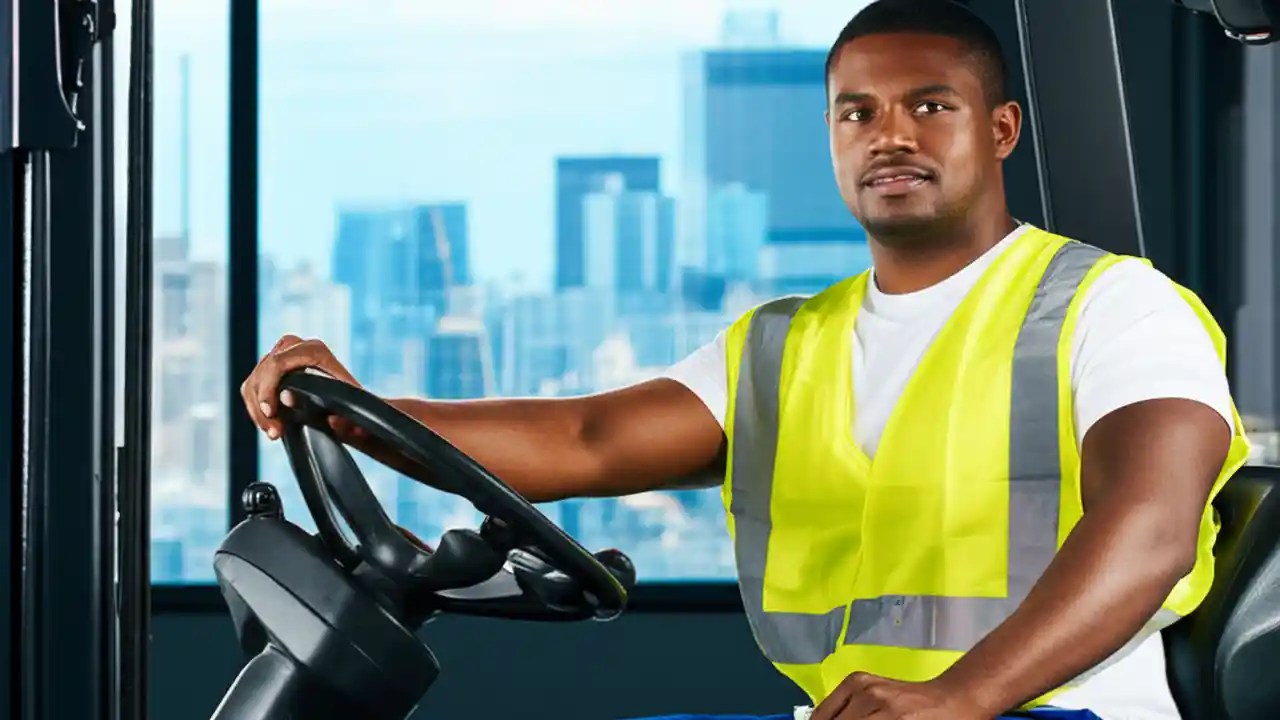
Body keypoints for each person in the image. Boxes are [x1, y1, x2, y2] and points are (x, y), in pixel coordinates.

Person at [239, 1, 1250, 718]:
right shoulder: (779, 343)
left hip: (1040, 714)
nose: (887, 135)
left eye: (927, 106)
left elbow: (1147, 525)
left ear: (998, 130)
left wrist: (961, 697)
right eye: (857, 112)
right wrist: (352, 407)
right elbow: (584, 441)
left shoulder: (1113, 306)